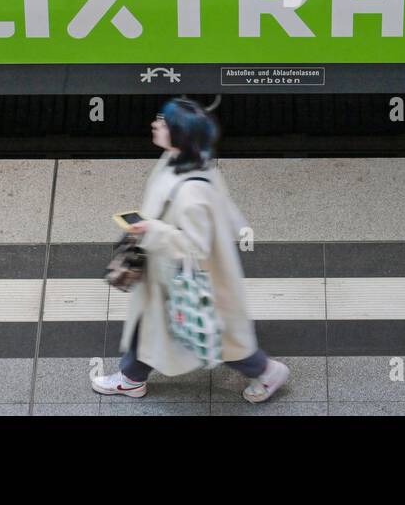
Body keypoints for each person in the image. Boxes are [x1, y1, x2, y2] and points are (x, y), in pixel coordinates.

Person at [91, 97, 290, 403]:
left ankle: (267, 371)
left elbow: (195, 246)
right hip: (165, 269)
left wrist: (151, 230)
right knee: (152, 324)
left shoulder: (191, 191)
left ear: (179, 134)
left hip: (190, 276)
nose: (155, 124)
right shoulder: (183, 161)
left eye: (163, 121)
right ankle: (131, 377)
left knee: (216, 337)